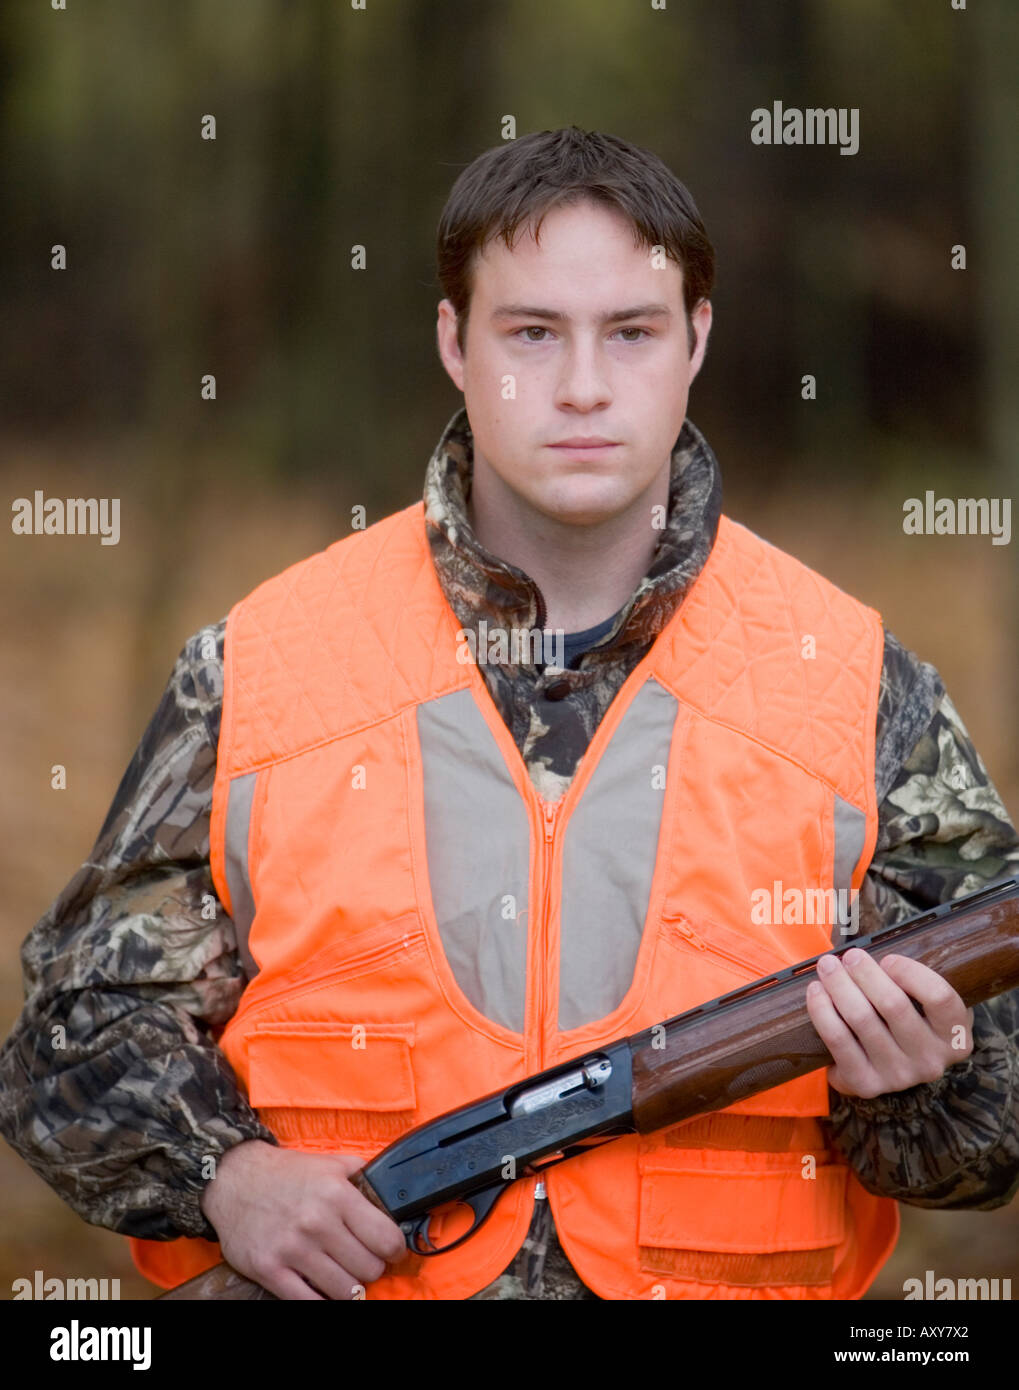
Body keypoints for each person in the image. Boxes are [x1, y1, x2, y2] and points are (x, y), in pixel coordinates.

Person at [1, 126, 1017, 1301]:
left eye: (628, 333)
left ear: (694, 340)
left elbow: (986, 1135)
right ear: (454, 343)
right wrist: (225, 1176)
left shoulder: (852, 680)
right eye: (530, 332)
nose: (580, 385)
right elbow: (67, 1044)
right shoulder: (263, 664)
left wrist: (918, 1079)